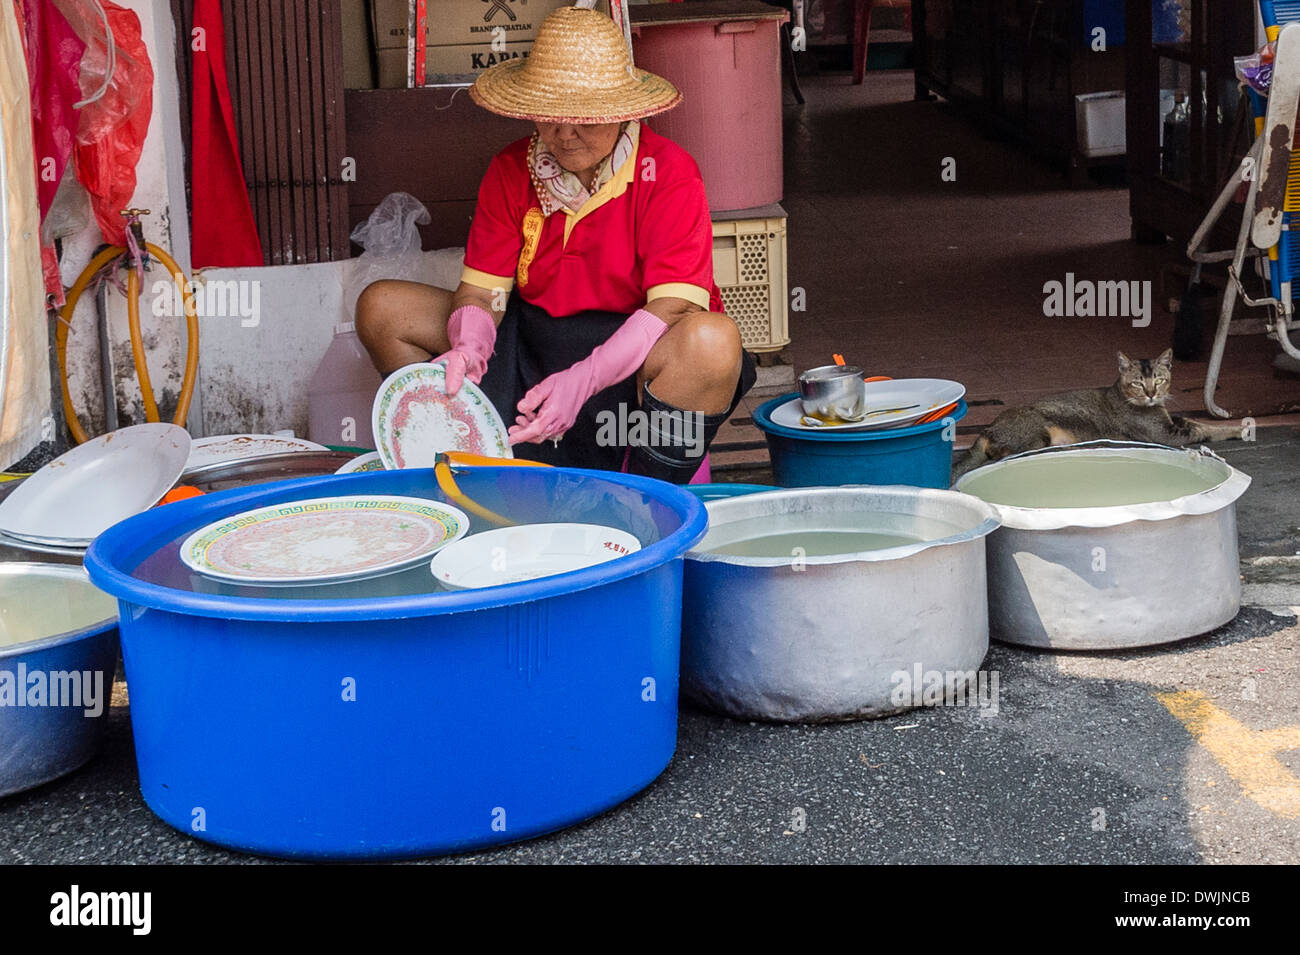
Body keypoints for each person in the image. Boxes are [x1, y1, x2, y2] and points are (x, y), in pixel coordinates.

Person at [355, 6, 755, 483]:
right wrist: (468, 345)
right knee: (383, 307)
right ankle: (468, 454)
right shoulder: (511, 168)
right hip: (533, 342)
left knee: (712, 342)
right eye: (549, 116)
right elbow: (484, 293)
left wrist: (583, 380)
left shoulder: (667, 172)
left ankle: (648, 494)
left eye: (584, 117)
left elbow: (671, 308)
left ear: (621, 111)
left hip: (635, 356)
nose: (564, 134)